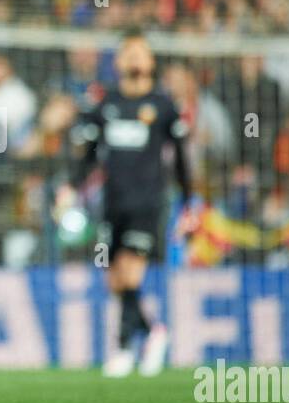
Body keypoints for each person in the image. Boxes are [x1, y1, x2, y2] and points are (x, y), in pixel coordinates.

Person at [60, 30, 196, 377]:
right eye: (128, 51)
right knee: (115, 280)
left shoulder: (163, 106)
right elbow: (88, 156)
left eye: (141, 51)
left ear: (151, 61)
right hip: (113, 202)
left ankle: (122, 348)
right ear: (118, 61)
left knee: (131, 271)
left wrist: (188, 202)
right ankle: (152, 332)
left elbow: (181, 159)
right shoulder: (106, 105)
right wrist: (70, 188)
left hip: (148, 202)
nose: (135, 57)